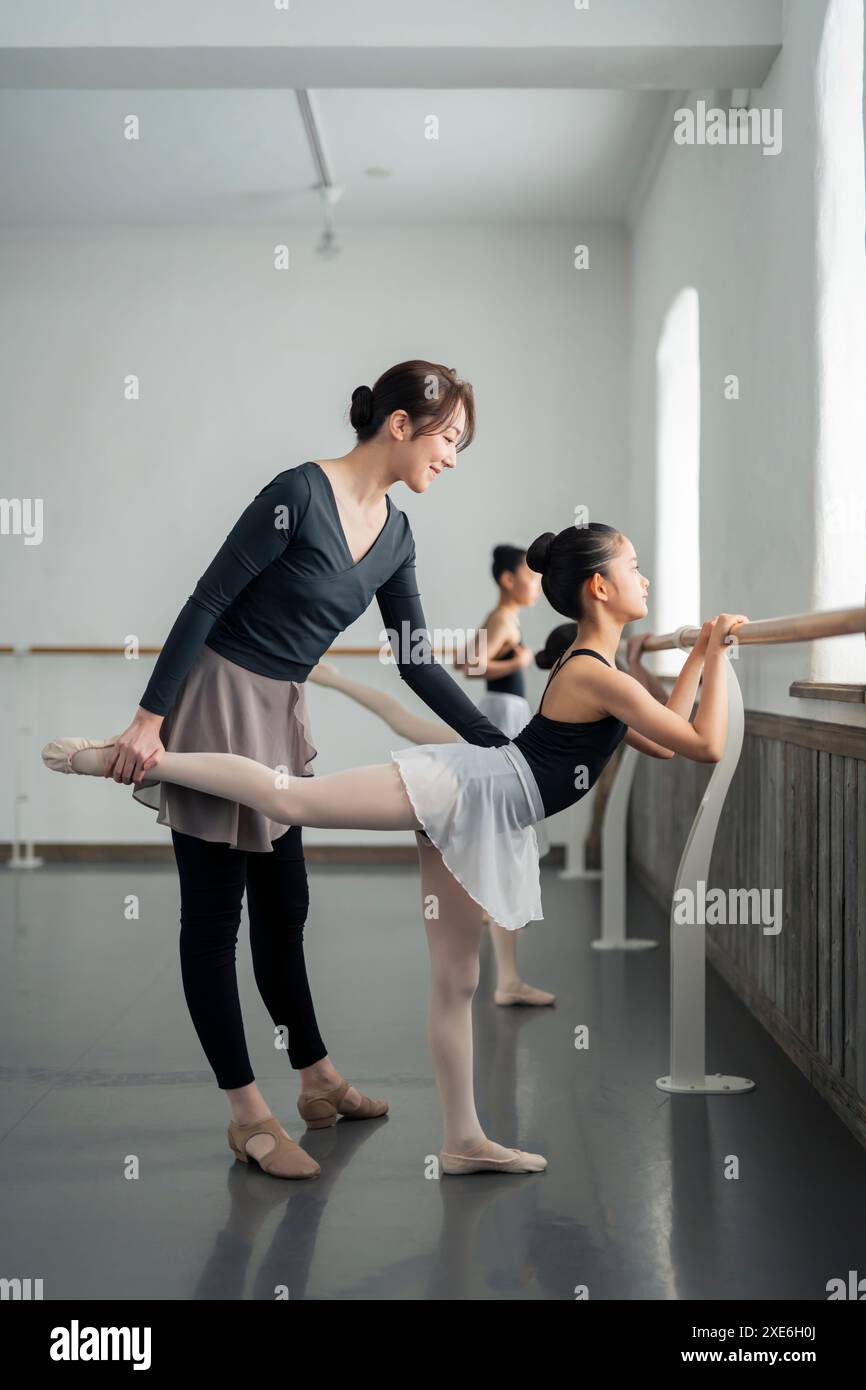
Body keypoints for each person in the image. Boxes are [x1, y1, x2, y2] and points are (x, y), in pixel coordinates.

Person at [44, 520, 746, 1174]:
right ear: (600, 587)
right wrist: (711, 651)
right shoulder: (595, 671)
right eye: (635, 567)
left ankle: (463, 1139)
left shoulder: (603, 671)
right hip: (465, 791)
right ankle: (133, 758)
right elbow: (707, 743)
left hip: (487, 813)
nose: (645, 579)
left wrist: (707, 654)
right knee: (292, 797)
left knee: (457, 980)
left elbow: (668, 738)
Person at [82, 359, 513, 1181]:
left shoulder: (396, 534)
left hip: (279, 715)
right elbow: (206, 600)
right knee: (214, 918)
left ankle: (316, 1078)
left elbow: (416, 661)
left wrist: (494, 744)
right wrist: (149, 717)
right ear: (399, 424)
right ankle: (247, 1114)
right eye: (449, 438)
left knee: (287, 905)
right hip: (213, 703)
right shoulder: (298, 493)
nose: (452, 457)